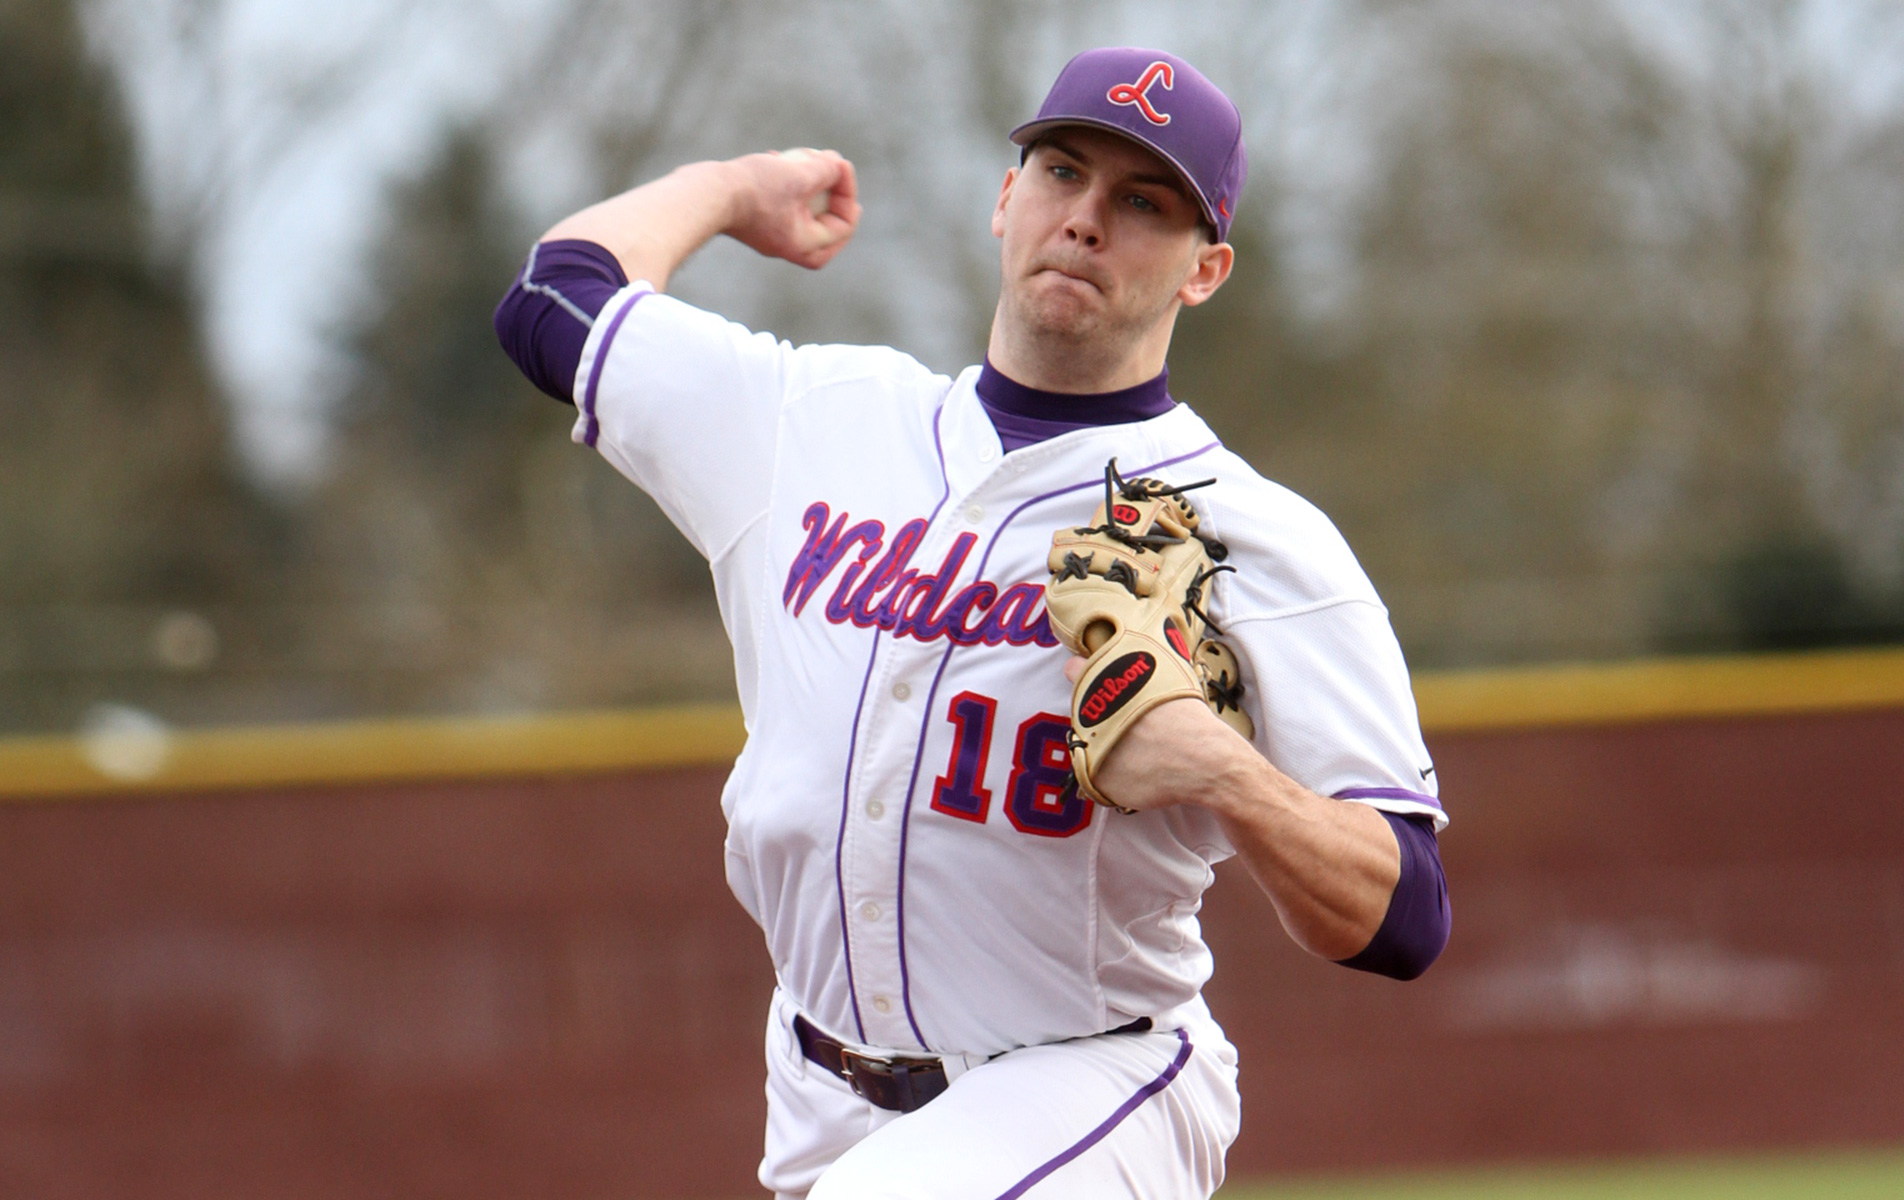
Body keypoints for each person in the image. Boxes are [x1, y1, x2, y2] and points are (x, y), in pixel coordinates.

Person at [495, 46, 1448, 1200]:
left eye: (1144, 203)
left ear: (1206, 270)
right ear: (1007, 199)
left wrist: (1230, 779)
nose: (1087, 219)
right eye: (1060, 171)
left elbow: (1405, 913)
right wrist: (740, 189)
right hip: (818, 1093)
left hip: (1093, 1080)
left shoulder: (1252, 536)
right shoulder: (810, 420)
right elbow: (553, 301)